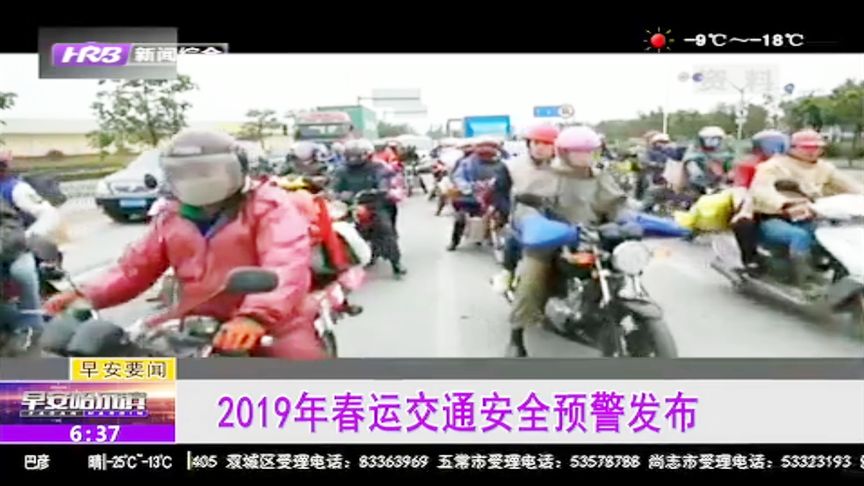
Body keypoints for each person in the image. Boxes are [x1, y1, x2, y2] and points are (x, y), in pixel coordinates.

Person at [43, 130, 327, 359]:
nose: (196, 180)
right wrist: (85, 294)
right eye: (185, 173)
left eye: (206, 171)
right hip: (198, 320)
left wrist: (255, 316)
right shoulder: (171, 215)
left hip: (276, 318)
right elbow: (135, 268)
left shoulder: (269, 206)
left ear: (238, 169)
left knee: (296, 368)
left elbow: (285, 263)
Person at [507, 126, 629, 357]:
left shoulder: (599, 177)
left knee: (622, 265)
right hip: (552, 241)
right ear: (564, 152)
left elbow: (616, 203)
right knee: (532, 277)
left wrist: (626, 219)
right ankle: (517, 336)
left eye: (589, 151)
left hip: (595, 238)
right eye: (578, 152)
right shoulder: (546, 176)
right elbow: (527, 208)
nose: (585, 157)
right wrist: (540, 225)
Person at [749, 129, 864, 289]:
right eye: (806, 147)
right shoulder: (774, 166)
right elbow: (761, 190)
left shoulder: (825, 168)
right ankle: (804, 281)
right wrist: (785, 204)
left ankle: (843, 279)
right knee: (799, 236)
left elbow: (851, 186)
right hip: (775, 218)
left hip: (811, 217)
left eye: (817, 147)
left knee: (839, 236)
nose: (812, 151)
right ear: (792, 147)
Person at [490, 123, 560, 293]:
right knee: (516, 235)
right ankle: (508, 271)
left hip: (558, 214)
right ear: (529, 144)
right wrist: (509, 212)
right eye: (536, 143)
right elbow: (500, 194)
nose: (540, 148)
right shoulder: (511, 166)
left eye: (546, 143)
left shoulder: (565, 167)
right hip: (524, 212)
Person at [0, 150, 61, 334]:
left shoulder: (17, 189)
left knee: (22, 273)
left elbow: (49, 215)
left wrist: (26, 238)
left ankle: (32, 324)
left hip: (18, 246)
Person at [330, 139, 407, 277]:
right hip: (349, 205)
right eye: (350, 156)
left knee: (385, 228)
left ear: (366, 155)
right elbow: (332, 188)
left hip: (373, 203)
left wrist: (381, 189)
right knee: (334, 228)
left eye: (357, 156)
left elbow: (383, 180)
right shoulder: (341, 170)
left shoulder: (377, 167)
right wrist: (338, 195)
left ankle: (396, 262)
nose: (353, 159)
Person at [728, 130, 789, 273]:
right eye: (771, 145)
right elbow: (741, 188)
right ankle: (750, 260)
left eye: (780, 144)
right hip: (756, 205)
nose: (776, 149)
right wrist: (743, 207)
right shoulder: (748, 165)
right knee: (744, 223)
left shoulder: (789, 164)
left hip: (786, 203)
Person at [447, 138, 505, 251]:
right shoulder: (467, 163)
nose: (486, 149)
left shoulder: (503, 163)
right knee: (460, 218)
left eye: (490, 146)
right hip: (472, 196)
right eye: (483, 146)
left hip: (495, 197)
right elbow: (458, 177)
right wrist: (469, 187)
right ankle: (454, 242)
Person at [682, 126, 735, 193]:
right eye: (707, 138)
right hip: (702, 183)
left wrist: (730, 173)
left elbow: (731, 163)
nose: (710, 141)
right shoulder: (694, 151)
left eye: (715, 138)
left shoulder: (726, 151)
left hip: (723, 182)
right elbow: (691, 166)